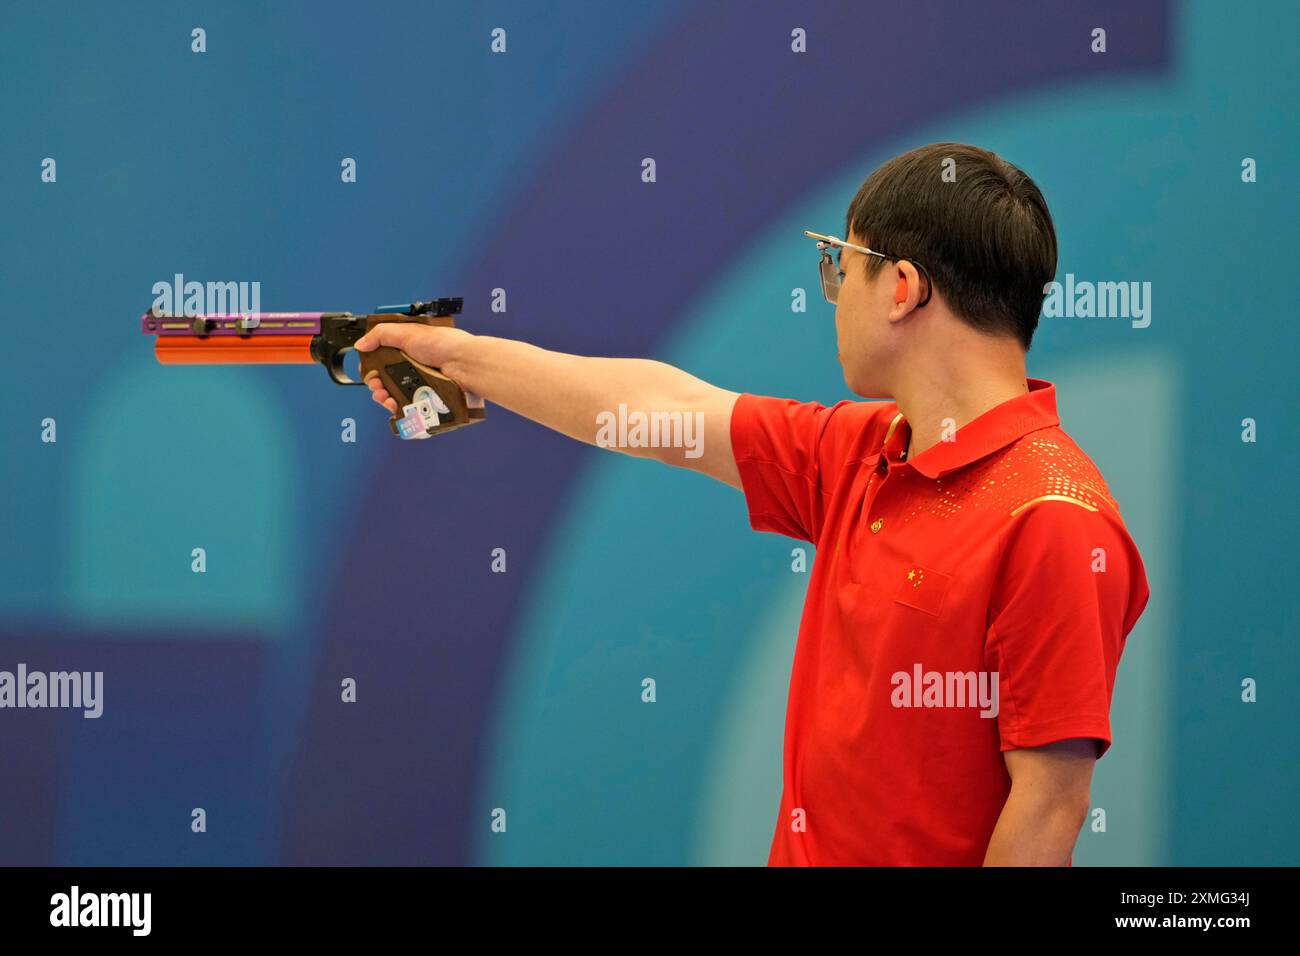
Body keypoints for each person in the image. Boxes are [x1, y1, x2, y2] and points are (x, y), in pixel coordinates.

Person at [354, 142, 1150, 866]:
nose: (833, 295)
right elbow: (655, 407)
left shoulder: (1055, 517)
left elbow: (1049, 809)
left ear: (902, 288)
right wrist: (455, 355)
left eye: (843, 268)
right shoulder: (862, 451)